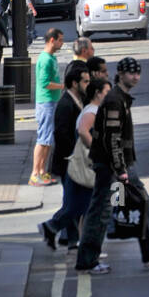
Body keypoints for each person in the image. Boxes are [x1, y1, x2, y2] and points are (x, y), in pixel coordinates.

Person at [75, 56, 149, 275]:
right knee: (101, 211)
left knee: (139, 202)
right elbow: (112, 138)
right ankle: (87, 260)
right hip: (112, 167)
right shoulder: (114, 100)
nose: (136, 76)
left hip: (119, 165)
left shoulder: (120, 98)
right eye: (131, 72)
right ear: (120, 74)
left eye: (138, 72)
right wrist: (120, 169)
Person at [40, 75, 111, 252]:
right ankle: (66, 235)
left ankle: (65, 235)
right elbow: (71, 133)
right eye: (85, 81)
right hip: (76, 164)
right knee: (84, 205)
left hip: (78, 163)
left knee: (77, 204)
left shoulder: (83, 105)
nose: (87, 85)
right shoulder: (77, 107)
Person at [41, 63, 92, 248]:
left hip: (75, 161)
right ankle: (53, 227)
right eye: (85, 82)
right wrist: (76, 155)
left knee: (73, 202)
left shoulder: (78, 101)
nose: (88, 85)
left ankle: (69, 239)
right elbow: (61, 135)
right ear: (74, 83)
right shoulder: (65, 104)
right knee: (78, 203)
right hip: (69, 162)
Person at [30, 28, 64, 186]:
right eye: (60, 40)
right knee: (43, 139)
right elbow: (44, 83)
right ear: (52, 40)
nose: (62, 43)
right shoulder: (46, 60)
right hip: (46, 103)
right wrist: (62, 86)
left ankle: (42, 172)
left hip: (51, 102)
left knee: (48, 140)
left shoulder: (51, 58)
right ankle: (35, 173)